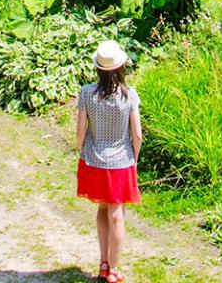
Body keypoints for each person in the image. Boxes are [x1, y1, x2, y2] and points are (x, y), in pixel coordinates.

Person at [75, 40, 141, 283]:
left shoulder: (86, 93)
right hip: (121, 161)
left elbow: (80, 131)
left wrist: (81, 153)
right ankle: (113, 269)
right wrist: (134, 158)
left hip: (93, 159)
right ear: (121, 67)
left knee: (102, 209)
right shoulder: (129, 95)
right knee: (117, 214)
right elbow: (137, 134)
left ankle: (103, 263)